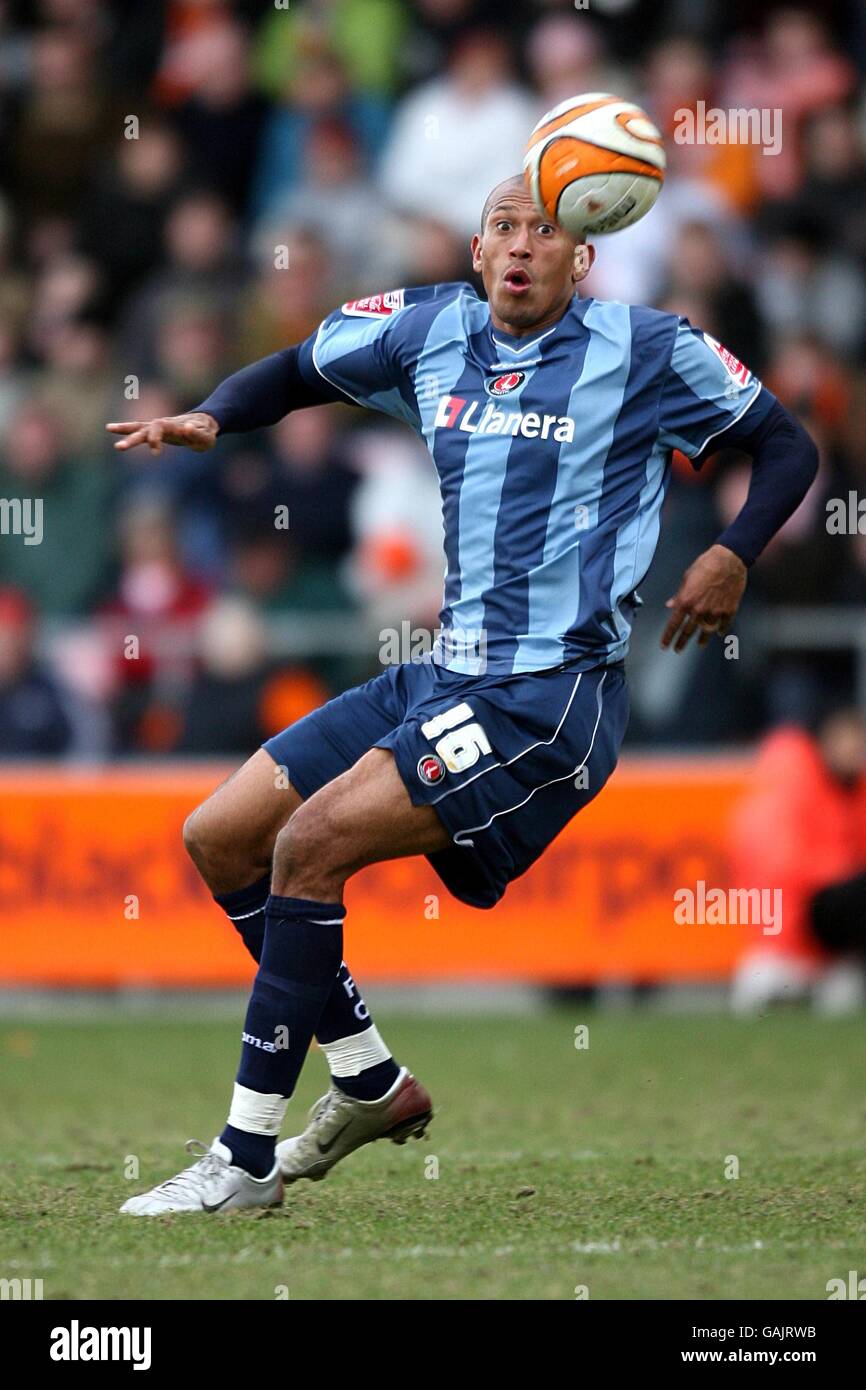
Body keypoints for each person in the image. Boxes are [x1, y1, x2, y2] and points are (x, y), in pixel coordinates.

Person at [106, 174, 818, 1215]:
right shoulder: (428, 328)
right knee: (220, 834)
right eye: (503, 228)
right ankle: (367, 1080)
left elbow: (785, 443)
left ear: (584, 259)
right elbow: (301, 368)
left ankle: (245, 1161)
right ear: (476, 253)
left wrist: (730, 551)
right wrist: (217, 415)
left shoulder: (647, 347)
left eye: (547, 231)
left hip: (546, 694)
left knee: (308, 847)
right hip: (441, 673)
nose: (522, 245)